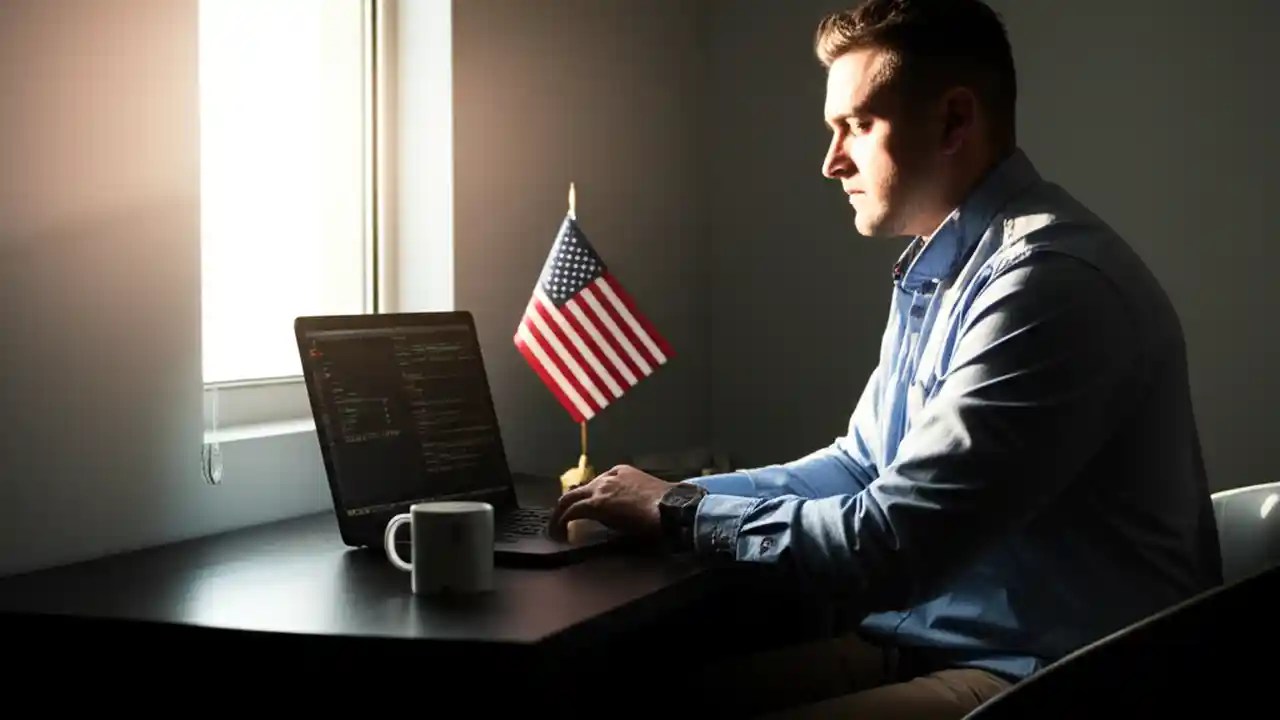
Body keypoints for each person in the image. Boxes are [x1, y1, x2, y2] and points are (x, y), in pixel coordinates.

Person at [548, 0, 1223, 716]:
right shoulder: (947, 268)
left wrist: (682, 512)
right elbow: (862, 465)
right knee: (635, 699)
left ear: (955, 121)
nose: (831, 161)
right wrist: (661, 498)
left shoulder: (1047, 284)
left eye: (856, 127)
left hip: (1049, 674)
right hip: (939, 640)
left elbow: (891, 542)